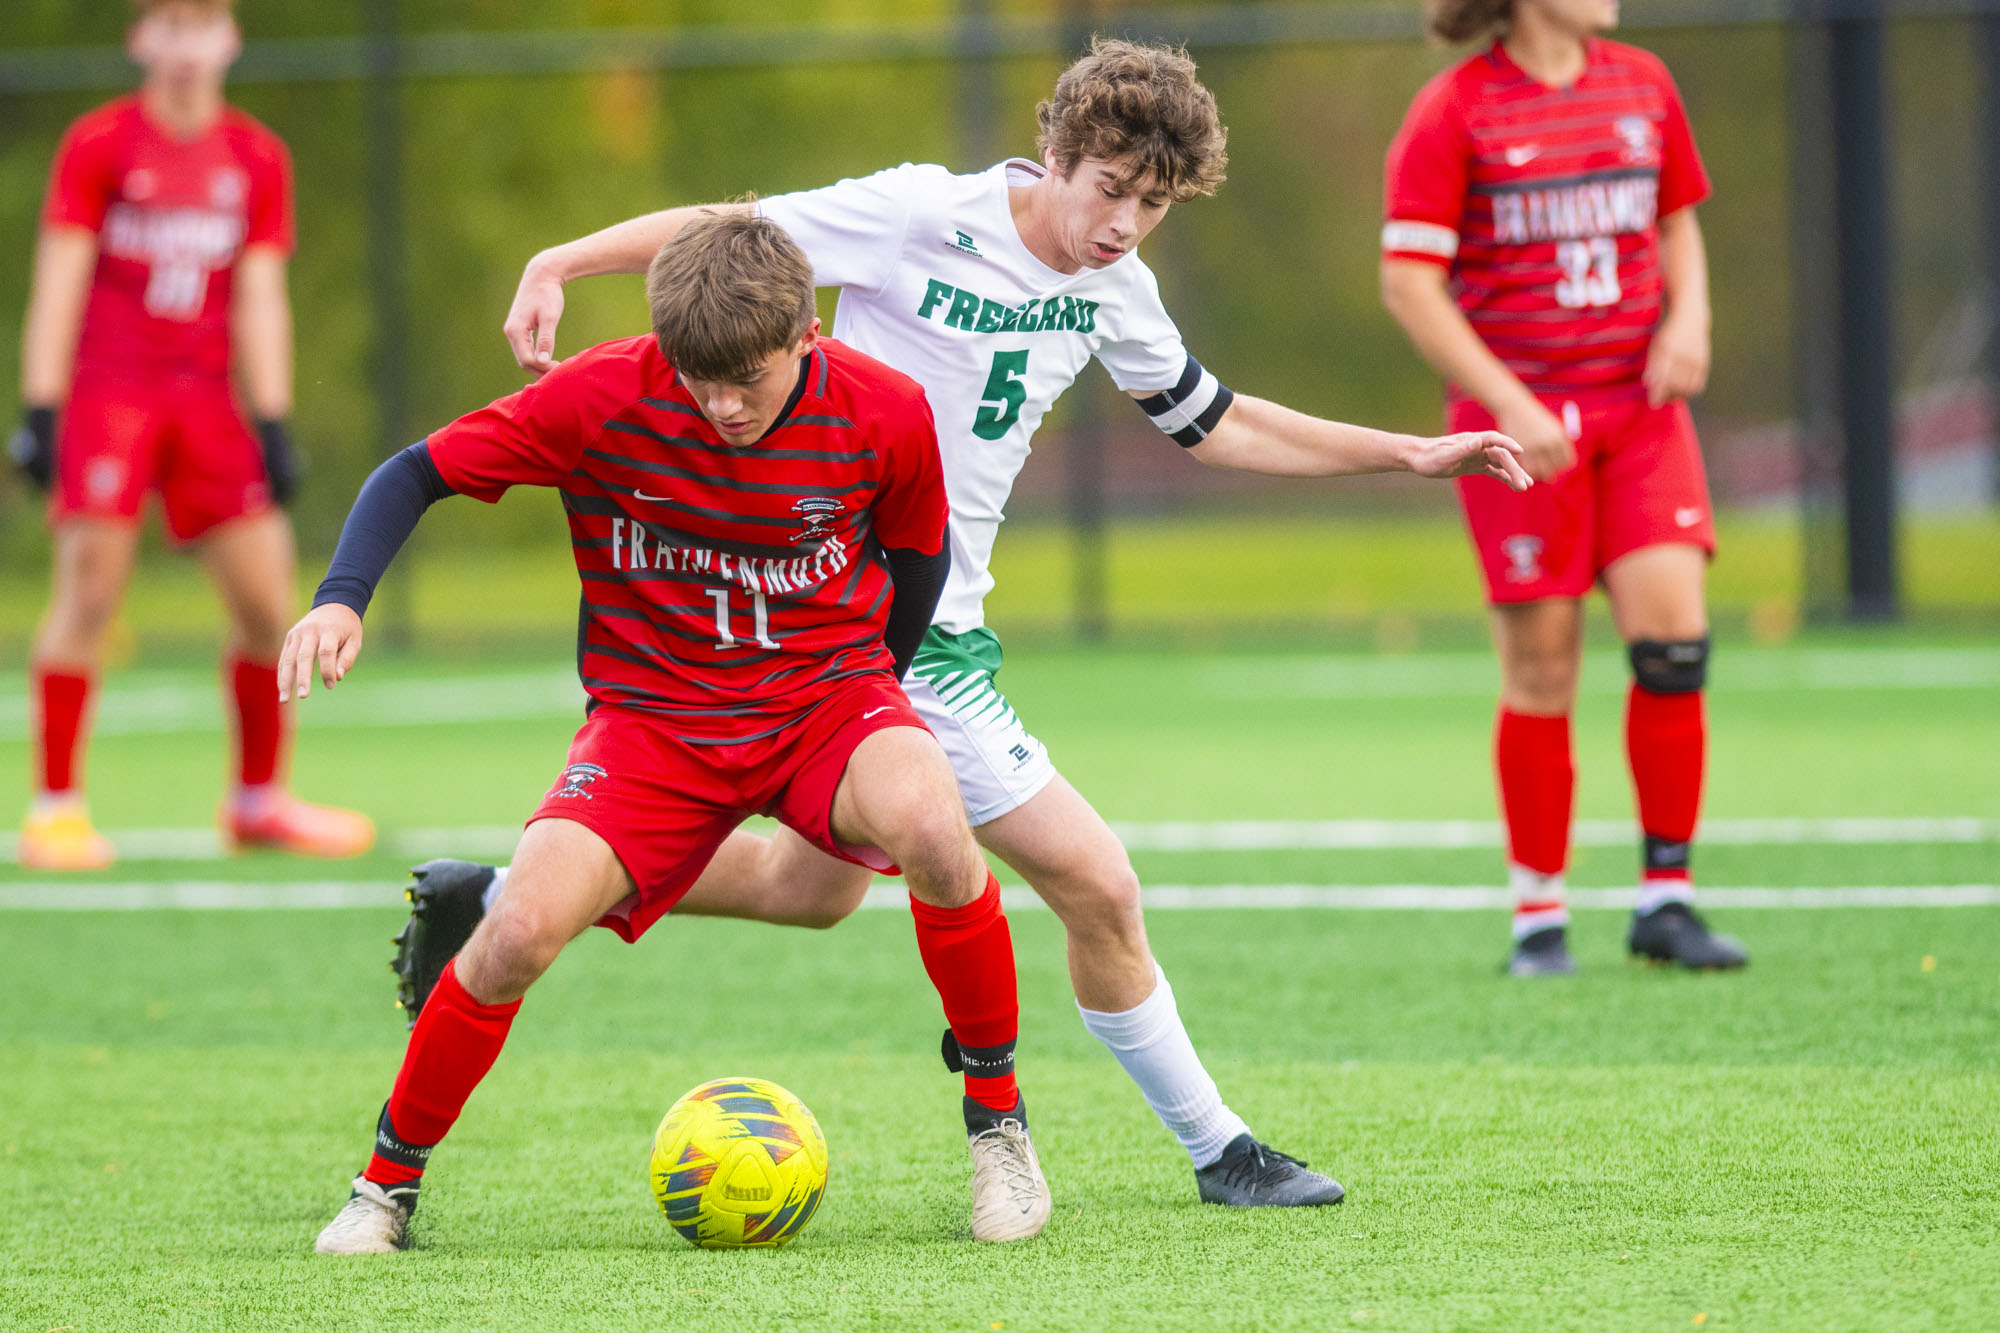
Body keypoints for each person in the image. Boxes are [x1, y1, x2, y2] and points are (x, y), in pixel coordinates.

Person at [398, 37, 1530, 1209]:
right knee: (1097, 882)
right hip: (874, 620)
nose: (1124, 222)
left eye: (1152, 203)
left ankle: (506, 898)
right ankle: (1216, 1150)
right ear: (1055, 151)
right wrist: (562, 259)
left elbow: (1217, 422)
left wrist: (1402, 452)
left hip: (934, 617)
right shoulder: (918, 214)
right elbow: (727, 232)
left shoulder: (1114, 291)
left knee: (815, 891)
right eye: (1109, 189)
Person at [301, 213, 1051, 1254]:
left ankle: (998, 1127)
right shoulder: (602, 394)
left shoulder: (884, 411)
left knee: (925, 824)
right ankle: (383, 1189)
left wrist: (873, 696)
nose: (721, 403)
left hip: (825, 700)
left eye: (745, 376)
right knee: (517, 934)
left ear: (806, 334)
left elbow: (917, 558)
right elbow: (413, 473)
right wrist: (341, 598)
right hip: (654, 721)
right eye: (699, 379)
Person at [1380, 0, 1746, 974]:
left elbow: (1677, 222)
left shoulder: (1642, 83)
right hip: (1518, 437)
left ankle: (1665, 901)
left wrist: (1689, 319)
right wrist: (1510, 402)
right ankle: (1537, 918)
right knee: (1542, 669)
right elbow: (1408, 282)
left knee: (1671, 645)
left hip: (1639, 414)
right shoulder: (1452, 111)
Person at [9, 0, 372, 869]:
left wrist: (274, 418)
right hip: (112, 391)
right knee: (90, 594)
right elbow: (58, 279)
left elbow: (258, 294)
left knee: (264, 599)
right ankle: (56, 806)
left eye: (203, 25)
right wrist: (40, 406)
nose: (186, 46)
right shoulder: (98, 145)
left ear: (231, 40)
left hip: (208, 397)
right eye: (167, 25)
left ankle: (257, 799)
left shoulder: (255, 157)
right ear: (139, 39)